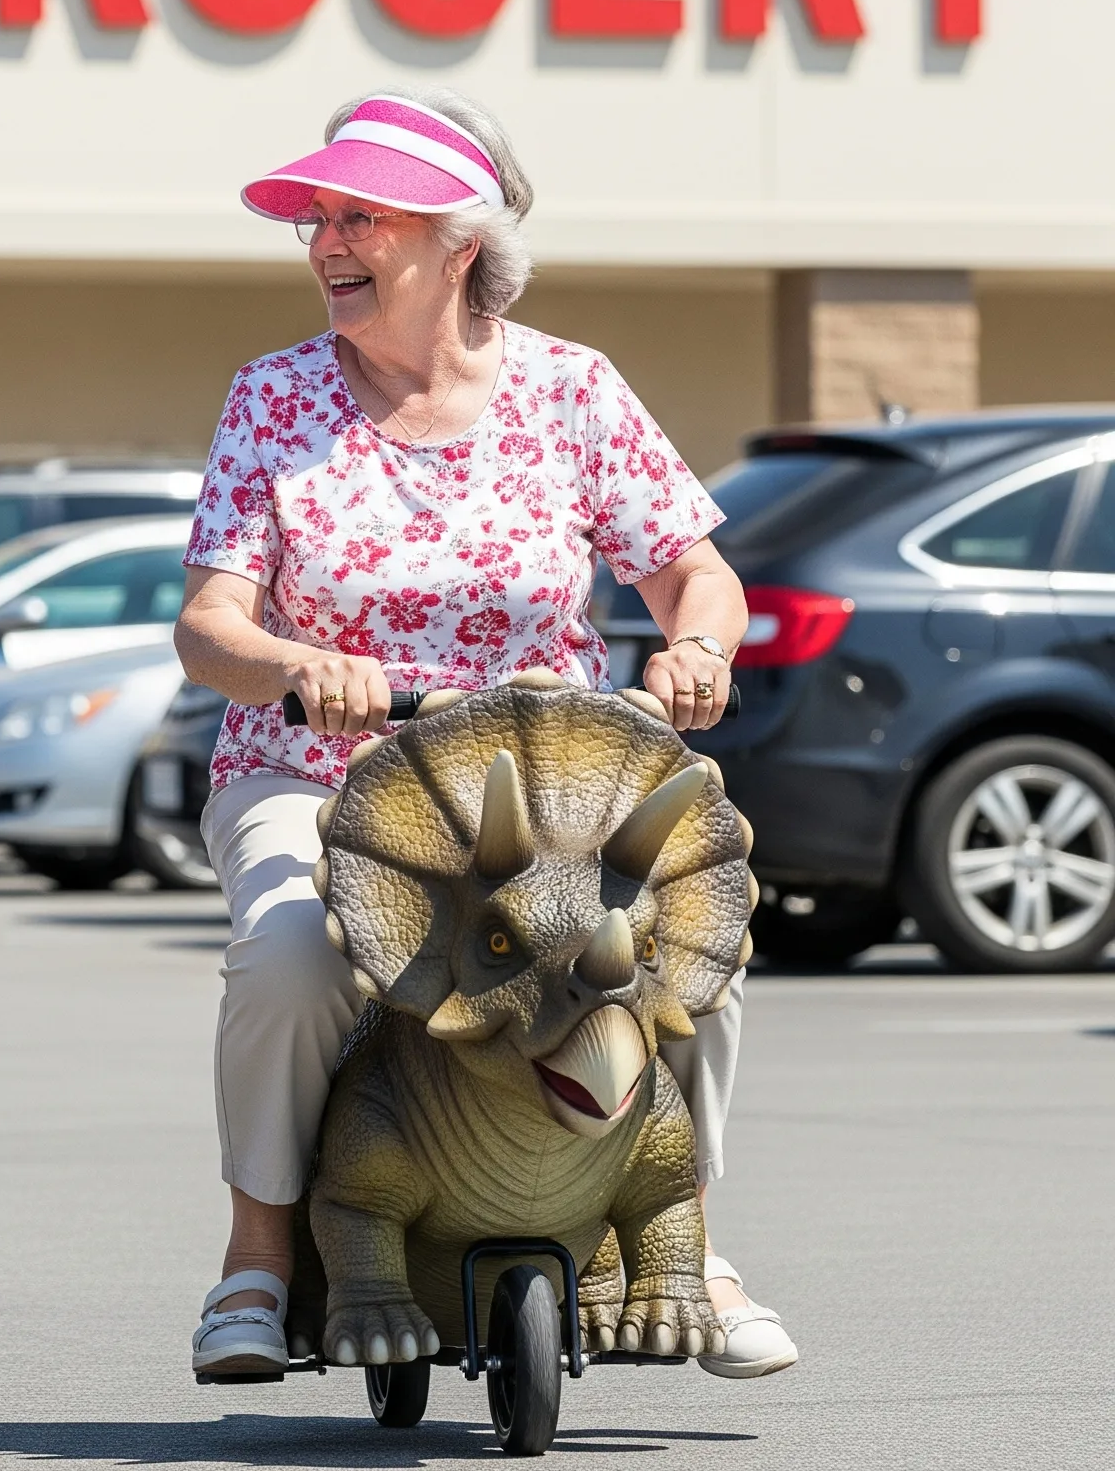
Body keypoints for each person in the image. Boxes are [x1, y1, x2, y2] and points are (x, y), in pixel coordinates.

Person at [176, 87, 797, 1382]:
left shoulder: (573, 391)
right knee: (289, 959)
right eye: (316, 220)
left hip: (549, 780)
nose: (325, 242)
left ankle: (692, 1233)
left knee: (696, 944)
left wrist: (699, 649)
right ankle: (258, 1258)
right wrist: (300, 664)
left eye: (360, 218)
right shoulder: (273, 396)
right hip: (320, 770)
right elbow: (210, 628)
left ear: (459, 245)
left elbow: (696, 572)